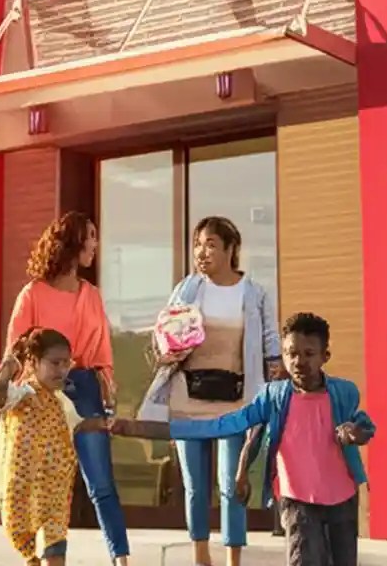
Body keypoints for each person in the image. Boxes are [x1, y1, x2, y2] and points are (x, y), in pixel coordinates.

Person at [112, 312, 376, 566]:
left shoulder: (344, 392)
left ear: (324, 356)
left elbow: (364, 424)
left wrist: (355, 432)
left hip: (342, 498)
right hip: (298, 501)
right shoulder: (273, 396)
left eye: (308, 354)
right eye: (291, 354)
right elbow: (220, 426)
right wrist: (142, 429)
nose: (298, 362)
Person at [152, 216, 281, 566]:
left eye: (210, 244)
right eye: (198, 244)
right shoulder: (188, 288)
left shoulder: (254, 292)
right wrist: (166, 349)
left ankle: (232, 558)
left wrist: (274, 379)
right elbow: (163, 329)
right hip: (188, 395)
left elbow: (271, 342)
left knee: (230, 483)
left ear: (230, 249)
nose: (202, 252)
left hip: (236, 400)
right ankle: (200, 556)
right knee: (194, 486)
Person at [6, 212, 130, 565]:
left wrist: (106, 383)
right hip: (42, 396)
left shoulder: (92, 295)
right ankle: (43, 558)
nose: (95, 244)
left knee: (101, 484)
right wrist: (18, 396)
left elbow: (103, 348)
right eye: (91, 236)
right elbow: (15, 351)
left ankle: (121, 559)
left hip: (86, 388)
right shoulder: (32, 294)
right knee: (44, 488)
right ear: (74, 241)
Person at [0, 328, 106, 566]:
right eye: (54, 363)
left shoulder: (63, 402)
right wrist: (9, 365)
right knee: (35, 559)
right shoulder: (21, 394)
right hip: (23, 501)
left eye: (66, 363)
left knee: (54, 554)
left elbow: (81, 425)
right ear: (34, 362)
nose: (62, 370)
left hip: (54, 502)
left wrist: (111, 422)